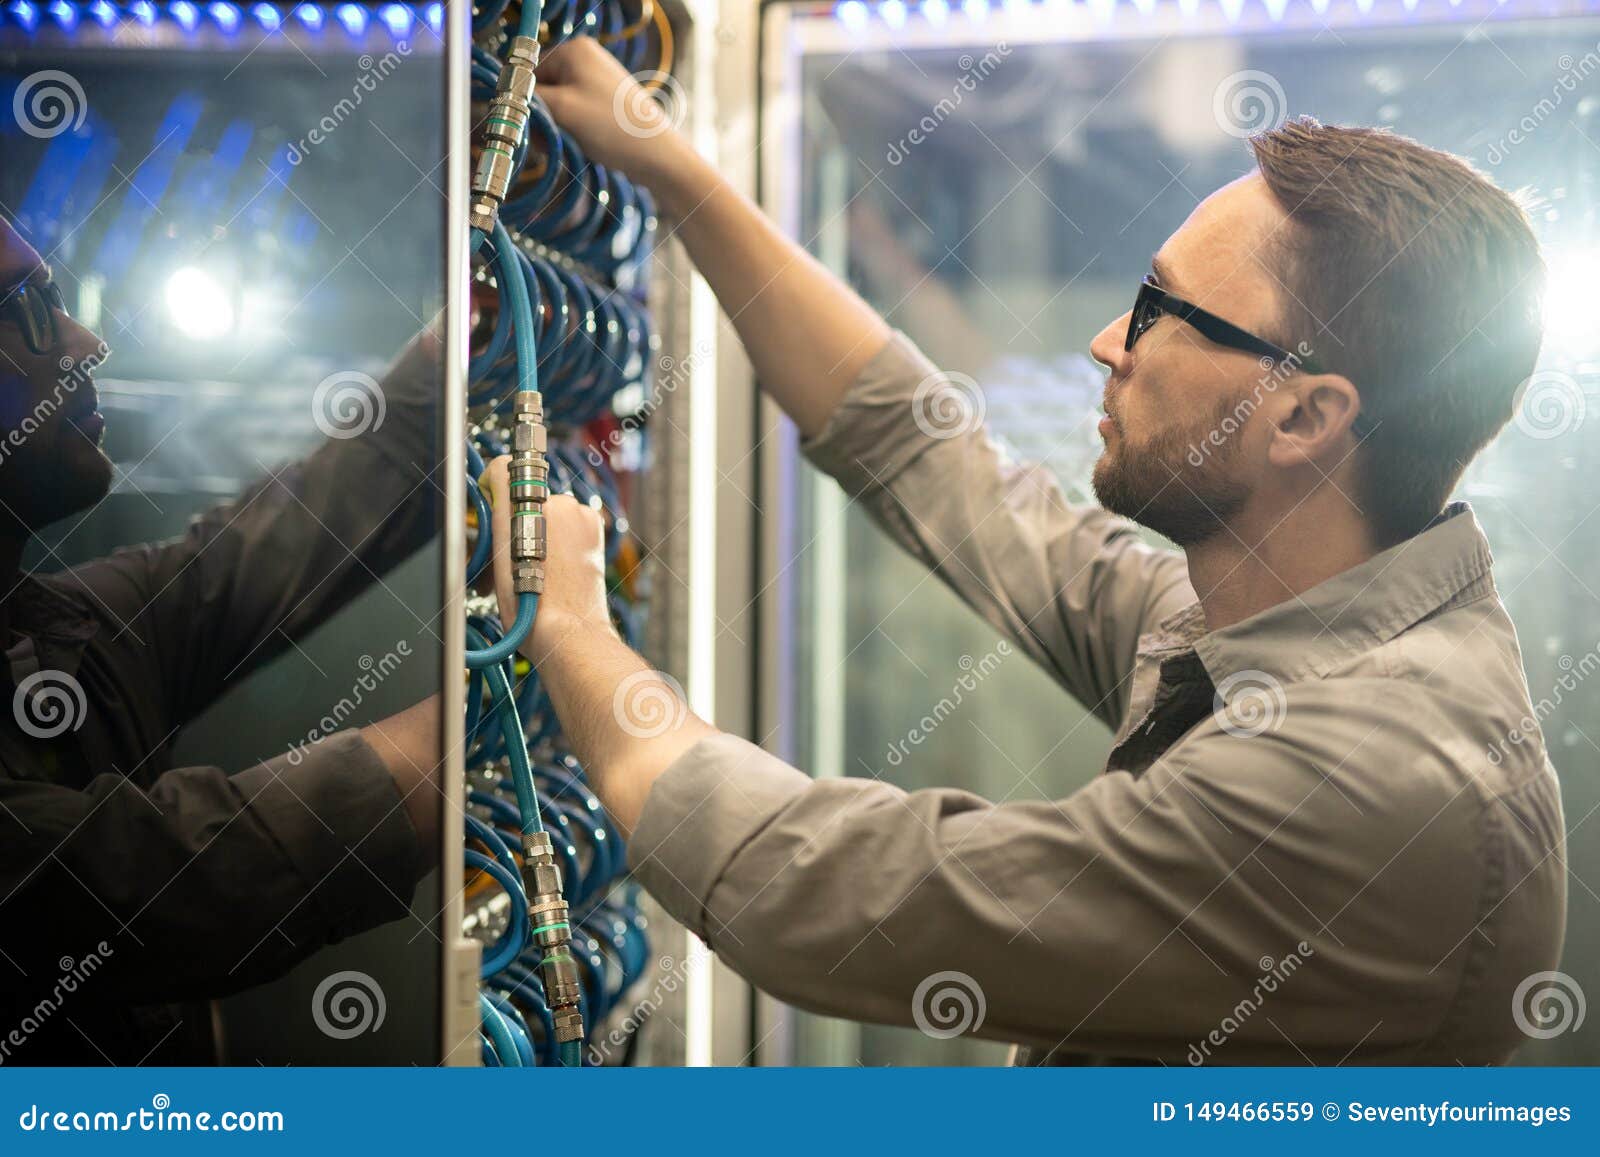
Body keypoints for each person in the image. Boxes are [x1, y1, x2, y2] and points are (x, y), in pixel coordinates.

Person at [480, 38, 1567, 1065]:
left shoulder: (1365, 780)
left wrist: (571, 625)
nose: (1107, 343)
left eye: (1161, 310)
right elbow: (930, 459)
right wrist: (679, 174)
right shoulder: (1283, 618)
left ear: (1302, 420)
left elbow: (821, 896)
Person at [0, 216, 444, 1064]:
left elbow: (270, 547)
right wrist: (553, 669)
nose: (87, 343)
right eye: (28, 312)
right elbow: (185, 880)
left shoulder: (53, 635)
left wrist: (463, 335)